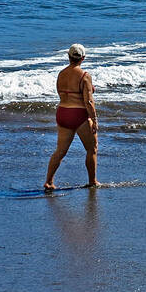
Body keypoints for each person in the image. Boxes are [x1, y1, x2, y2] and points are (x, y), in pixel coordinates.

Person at [44, 43, 98, 192]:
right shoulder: (85, 76)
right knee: (92, 149)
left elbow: (61, 93)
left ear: (68, 57)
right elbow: (88, 101)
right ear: (83, 58)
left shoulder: (61, 74)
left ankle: (49, 182)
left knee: (60, 151)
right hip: (79, 115)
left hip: (62, 113)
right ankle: (92, 181)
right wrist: (94, 120)